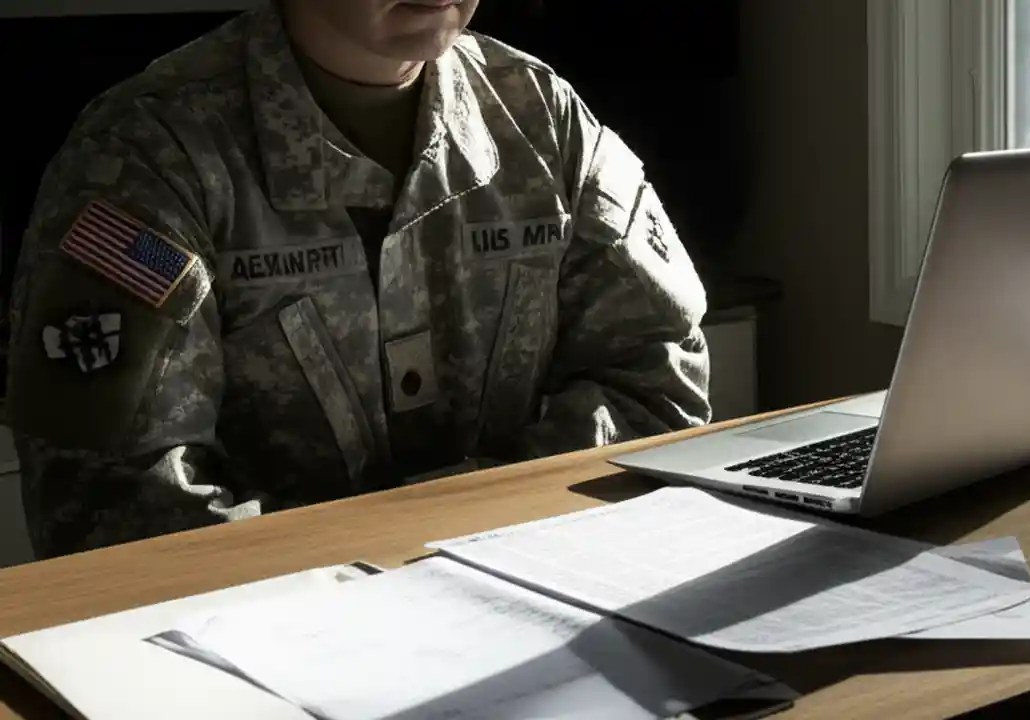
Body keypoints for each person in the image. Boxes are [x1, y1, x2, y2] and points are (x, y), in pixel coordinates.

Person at [6, 0, 711, 559]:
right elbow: (111, 507)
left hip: (540, 599)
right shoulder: (152, 155)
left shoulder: (541, 118)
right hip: (255, 648)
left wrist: (471, 527)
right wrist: (376, 566)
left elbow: (655, 383)